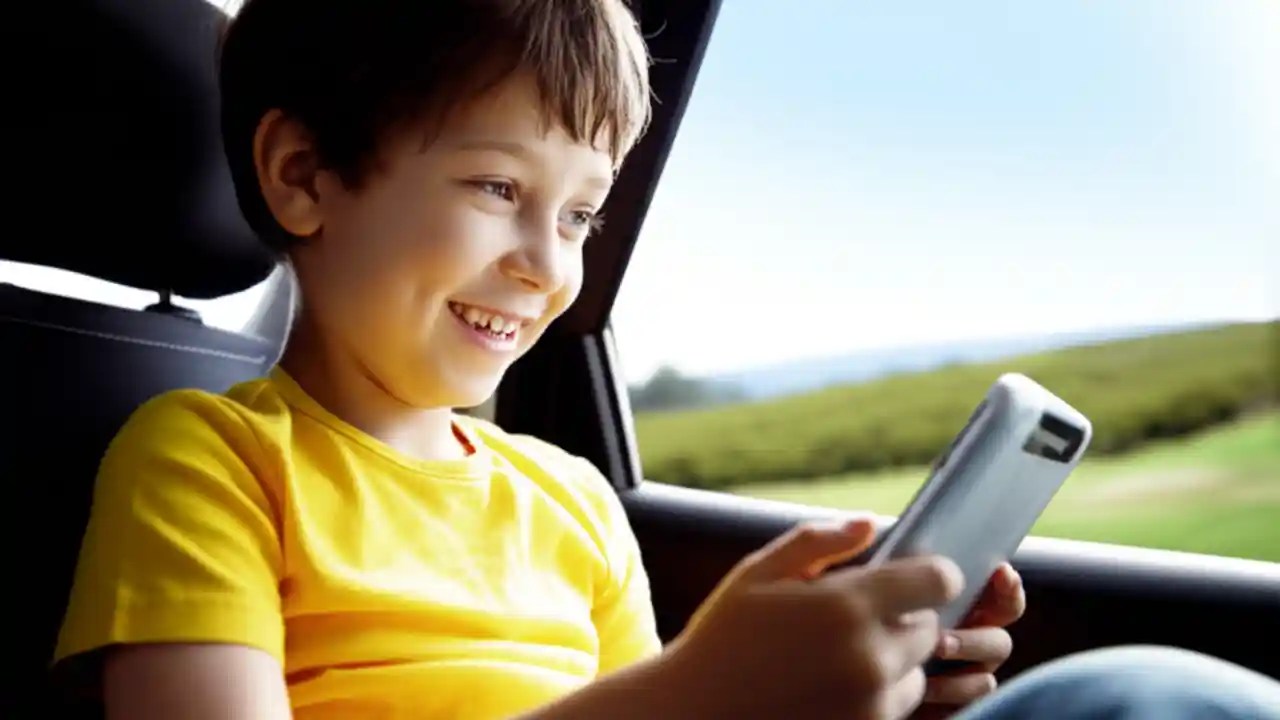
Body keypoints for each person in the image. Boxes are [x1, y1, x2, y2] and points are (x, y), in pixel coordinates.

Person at [52, 1, 1280, 718]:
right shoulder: (208, 463)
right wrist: (705, 690)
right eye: (496, 188)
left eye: (580, 215)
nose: (547, 263)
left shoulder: (570, 502)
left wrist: (825, 689)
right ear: (303, 176)